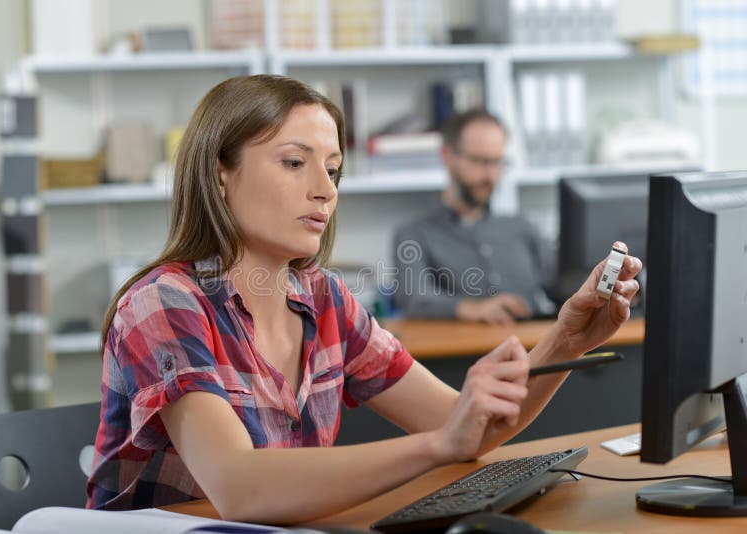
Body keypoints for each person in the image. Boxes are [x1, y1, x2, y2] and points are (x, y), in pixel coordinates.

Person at [86, 75, 642, 524]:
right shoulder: (164, 303)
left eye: (333, 170)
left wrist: (566, 337)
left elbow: (466, 425)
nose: (325, 189)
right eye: (293, 162)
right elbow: (240, 489)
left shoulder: (325, 299)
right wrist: (438, 446)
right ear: (220, 174)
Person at [393, 109, 556, 324]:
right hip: (462, 354)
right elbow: (414, 298)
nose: (490, 175)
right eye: (480, 161)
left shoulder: (523, 228)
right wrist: (472, 308)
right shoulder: (414, 235)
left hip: (534, 351)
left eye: (497, 162)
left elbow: (563, 287)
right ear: (449, 157)